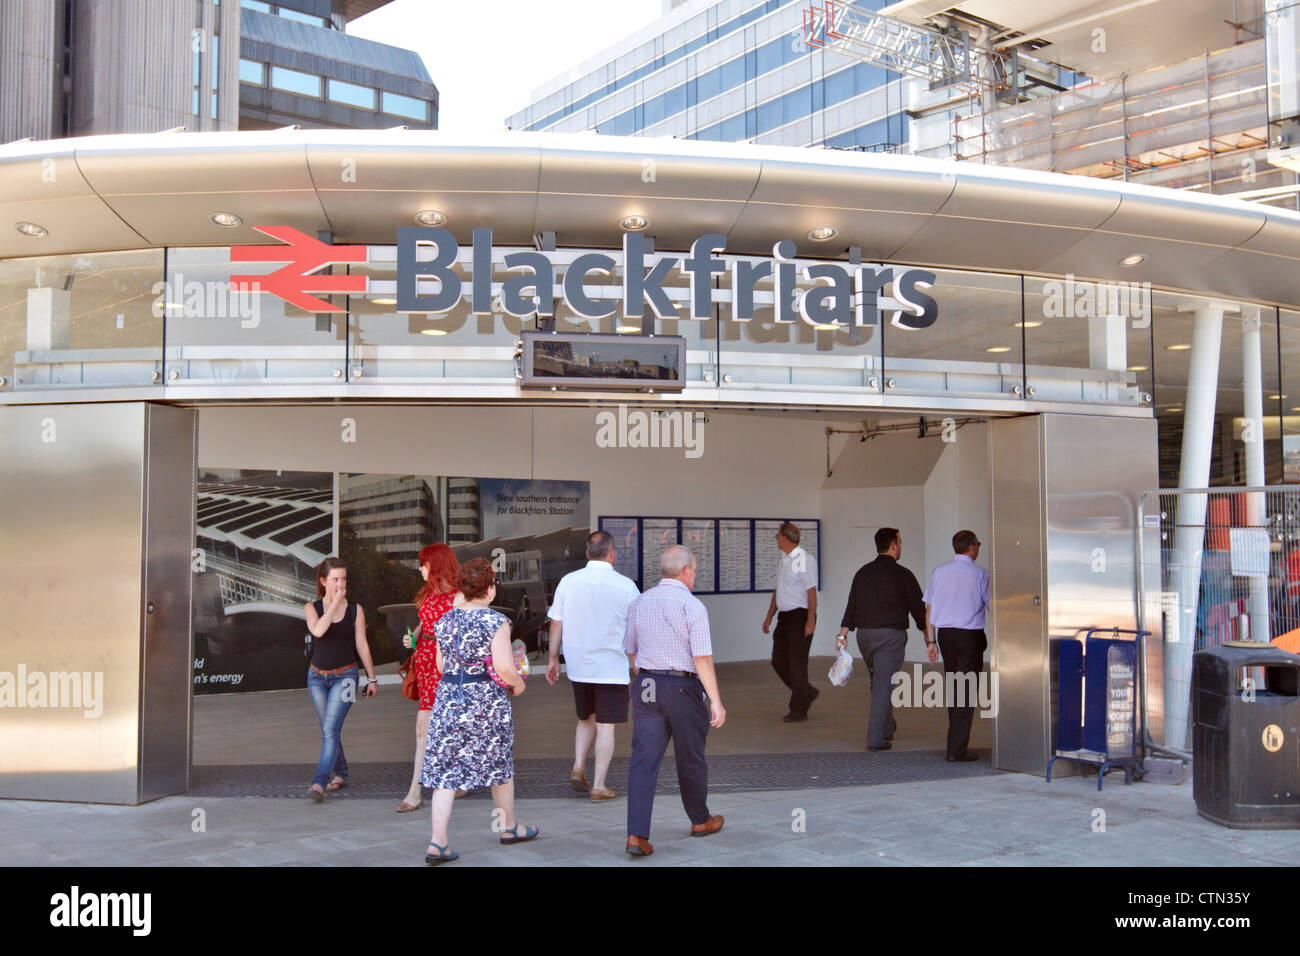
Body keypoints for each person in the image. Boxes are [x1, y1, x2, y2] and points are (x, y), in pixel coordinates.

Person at [420, 557, 537, 864]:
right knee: (498, 764)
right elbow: (502, 665)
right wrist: (519, 685)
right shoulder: (495, 621)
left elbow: (441, 665)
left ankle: (438, 841)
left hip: (449, 698)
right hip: (485, 699)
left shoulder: (444, 621)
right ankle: (508, 827)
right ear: (490, 589)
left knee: (446, 771)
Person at [622, 545, 726, 857]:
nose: (695, 575)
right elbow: (702, 659)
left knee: (643, 760)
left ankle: (636, 836)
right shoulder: (692, 606)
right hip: (682, 687)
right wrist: (716, 702)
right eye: (694, 569)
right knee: (691, 757)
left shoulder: (640, 602)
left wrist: (646, 674)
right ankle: (700, 820)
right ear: (684, 572)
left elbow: (631, 649)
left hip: (648, 684)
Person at [546, 530, 641, 800]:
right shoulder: (626, 586)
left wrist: (553, 657)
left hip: (579, 666)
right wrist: (636, 662)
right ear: (612, 554)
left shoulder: (568, 581)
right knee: (606, 725)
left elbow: (556, 622)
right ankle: (599, 785)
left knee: (585, 718)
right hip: (611, 667)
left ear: (587, 553)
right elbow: (635, 629)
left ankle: (578, 766)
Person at [835, 528, 925, 752]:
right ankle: (875, 739)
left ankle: (887, 727)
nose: (901, 546)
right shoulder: (904, 574)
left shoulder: (863, 573)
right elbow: (918, 609)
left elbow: (851, 606)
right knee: (883, 684)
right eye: (900, 542)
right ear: (893, 546)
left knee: (880, 682)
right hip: (890, 638)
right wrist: (929, 637)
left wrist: (842, 634)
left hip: (865, 637)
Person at [303, 557, 378, 802]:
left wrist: (372, 678)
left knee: (330, 730)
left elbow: (362, 644)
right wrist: (334, 604)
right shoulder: (311, 608)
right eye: (335, 579)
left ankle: (319, 782)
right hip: (316, 677)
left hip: (345, 677)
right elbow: (318, 631)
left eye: (343, 579)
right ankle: (342, 772)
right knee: (329, 730)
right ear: (323, 581)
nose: (340, 584)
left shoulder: (355, 610)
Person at [396, 543, 461, 813]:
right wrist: (414, 637)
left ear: (435, 566)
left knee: (433, 727)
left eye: (423, 564)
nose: (420, 568)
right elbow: (425, 623)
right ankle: (422, 789)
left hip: (443, 665)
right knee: (429, 728)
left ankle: (416, 792)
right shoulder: (429, 594)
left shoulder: (458, 597)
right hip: (424, 661)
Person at [924, 530, 990, 763]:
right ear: (972, 547)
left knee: (954, 688)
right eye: (978, 544)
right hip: (969, 637)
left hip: (946, 637)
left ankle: (955, 743)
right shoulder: (981, 574)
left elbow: (929, 610)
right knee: (966, 691)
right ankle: (956, 750)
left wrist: (931, 642)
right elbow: (992, 606)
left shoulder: (940, 572)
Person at [761, 521, 820, 722]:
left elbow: (811, 591)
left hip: (800, 616)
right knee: (778, 661)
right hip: (785, 617)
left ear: (784, 538)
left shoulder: (804, 559)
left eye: (777, 536)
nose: (776, 539)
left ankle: (798, 709)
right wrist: (769, 616)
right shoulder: (784, 560)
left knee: (797, 664)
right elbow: (779, 590)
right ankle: (807, 691)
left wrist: (810, 620)